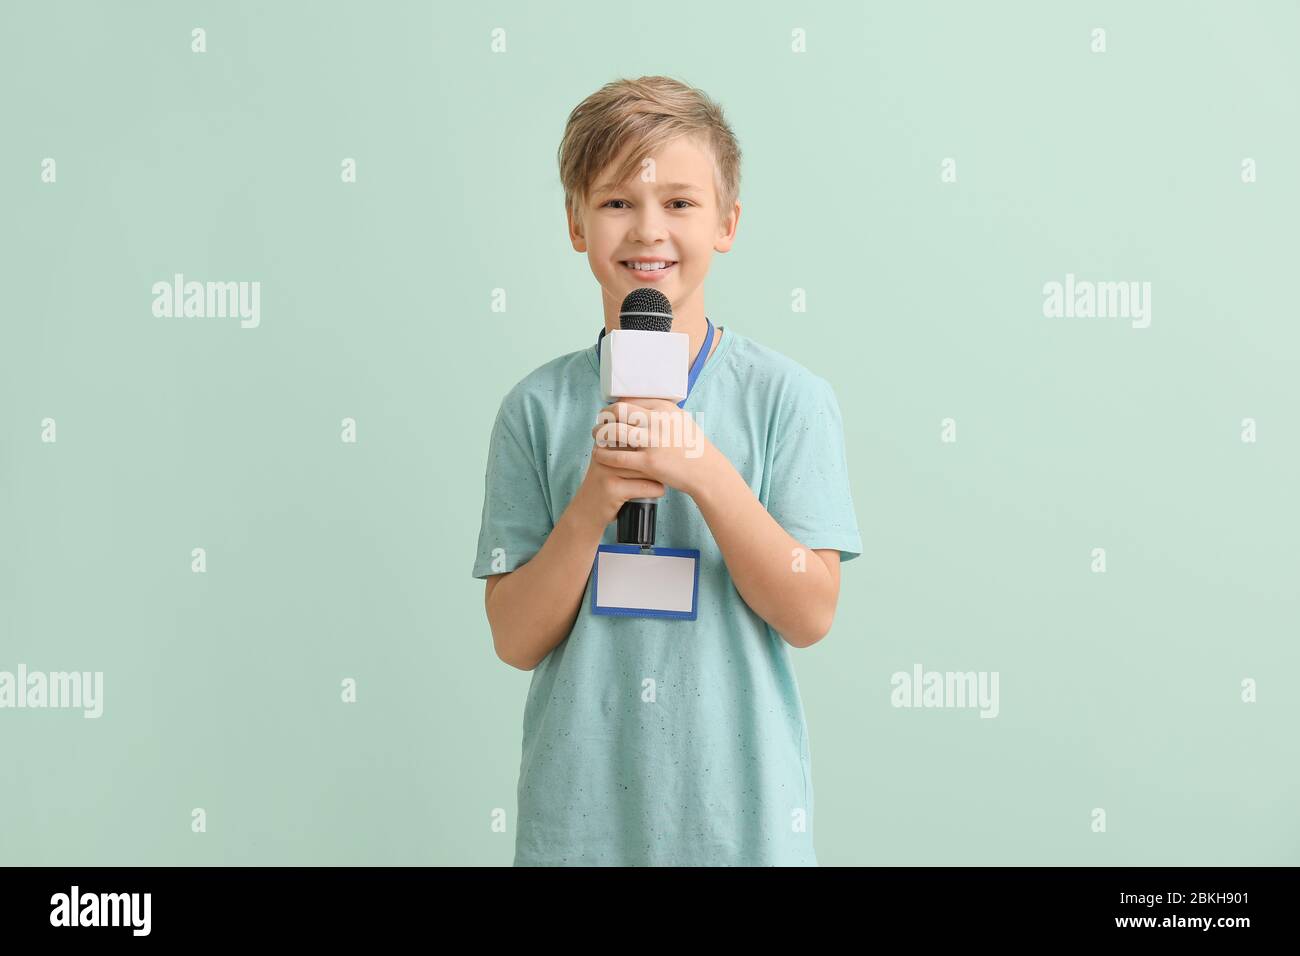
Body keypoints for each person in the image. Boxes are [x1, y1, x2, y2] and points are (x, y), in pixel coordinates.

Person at [471, 75, 862, 865]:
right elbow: (515, 638)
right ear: (577, 225)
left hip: (739, 825)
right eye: (617, 202)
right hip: (580, 825)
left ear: (727, 223)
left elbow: (810, 613)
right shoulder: (535, 409)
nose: (648, 229)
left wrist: (704, 471)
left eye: (680, 203)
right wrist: (594, 501)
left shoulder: (790, 400)